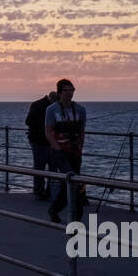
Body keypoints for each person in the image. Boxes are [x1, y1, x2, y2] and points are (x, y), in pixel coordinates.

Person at [46, 79, 87, 223]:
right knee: (73, 181)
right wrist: (56, 149)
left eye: (72, 90)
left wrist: (80, 147)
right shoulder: (51, 110)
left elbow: (82, 131)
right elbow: (48, 131)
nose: (70, 93)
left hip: (75, 152)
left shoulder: (80, 110)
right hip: (60, 152)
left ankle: (55, 210)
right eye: (66, 90)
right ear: (59, 92)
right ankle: (77, 217)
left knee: (70, 183)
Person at [25, 87, 58, 201]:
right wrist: (46, 125)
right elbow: (28, 121)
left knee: (53, 167)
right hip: (38, 141)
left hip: (50, 141)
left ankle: (50, 191)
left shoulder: (53, 107)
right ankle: (39, 191)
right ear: (52, 99)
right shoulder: (37, 105)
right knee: (39, 167)